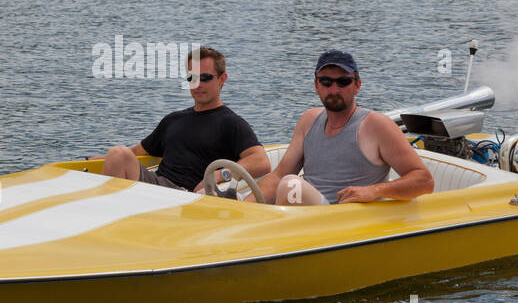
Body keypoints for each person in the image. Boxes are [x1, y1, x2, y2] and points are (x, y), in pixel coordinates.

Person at [254, 50, 433, 205]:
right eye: (326, 82)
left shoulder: (377, 125)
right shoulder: (308, 120)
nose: (334, 90)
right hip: (308, 216)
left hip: (348, 221)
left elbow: (424, 181)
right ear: (316, 86)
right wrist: (245, 207)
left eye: (343, 82)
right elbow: (278, 175)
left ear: (357, 85)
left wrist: (374, 191)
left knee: (290, 185)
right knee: (279, 185)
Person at [98, 47, 271, 193]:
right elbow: (136, 151)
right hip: (157, 186)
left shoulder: (230, 123)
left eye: (205, 78)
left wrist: (218, 175)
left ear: (222, 79)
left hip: (190, 196)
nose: (198, 84)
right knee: (118, 155)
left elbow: (261, 161)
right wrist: (89, 161)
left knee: (118, 154)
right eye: (192, 78)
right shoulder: (173, 120)